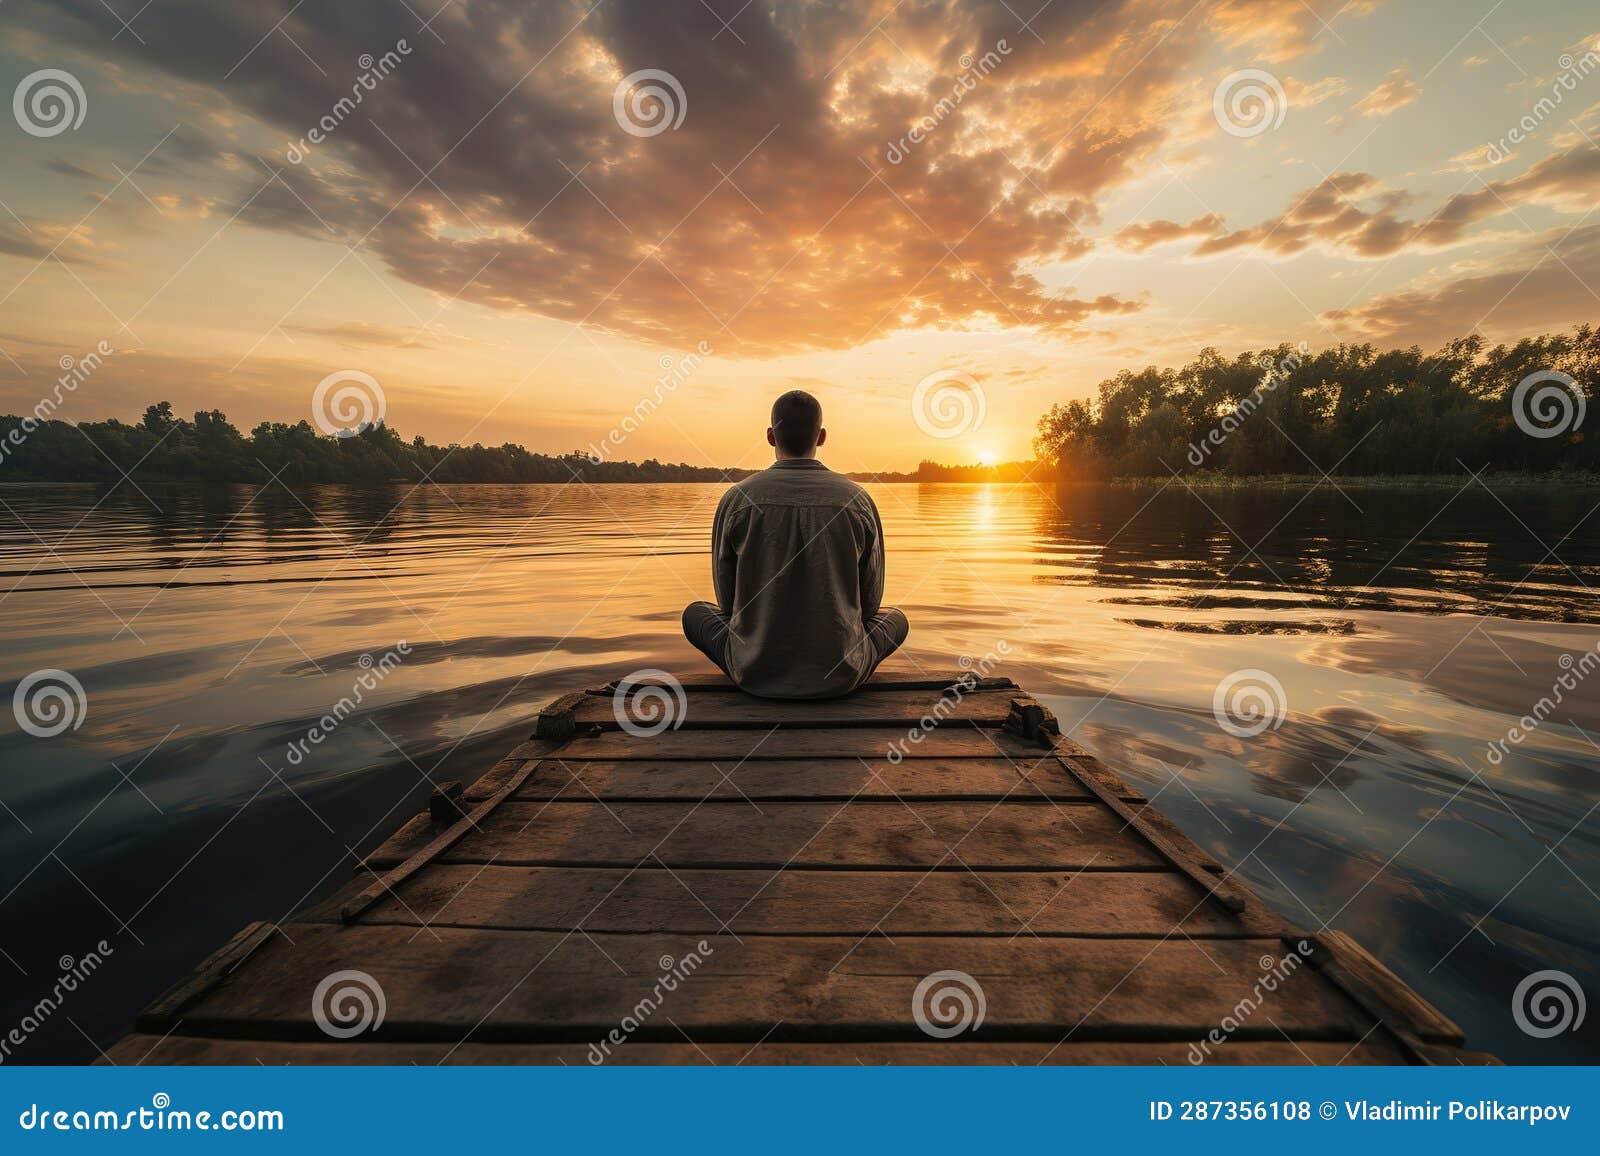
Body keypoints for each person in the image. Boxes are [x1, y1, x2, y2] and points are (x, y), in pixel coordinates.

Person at [682, 390, 909, 699]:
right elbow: (870, 605)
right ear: (822, 436)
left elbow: (727, 604)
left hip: (753, 673)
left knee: (696, 613)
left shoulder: (737, 499)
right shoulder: (858, 500)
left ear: (771, 436)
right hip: (842, 674)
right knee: (895, 618)